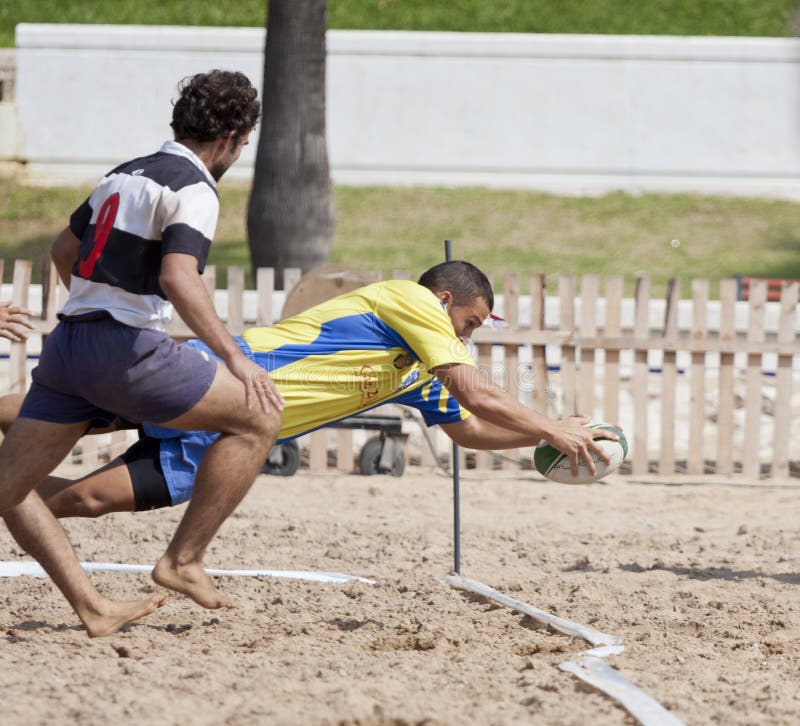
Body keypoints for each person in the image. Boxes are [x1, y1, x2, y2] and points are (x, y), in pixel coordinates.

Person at [0, 70, 283, 637]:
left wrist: (94, 302)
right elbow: (179, 276)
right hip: (125, 349)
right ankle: (183, 560)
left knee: (9, 490)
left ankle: (94, 609)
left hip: (68, 347)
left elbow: (63, 249)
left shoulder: (122, 174)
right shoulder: (194, 187)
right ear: (231, 136)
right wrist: (233, 357)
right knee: (259, 417)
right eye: (244, 143)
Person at [0, 261, 618, 520]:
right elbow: (479, 394)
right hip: (216, 380)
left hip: (230, 436)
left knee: (84, 501)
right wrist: (552, 426)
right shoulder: (408, 298)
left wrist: (547, 442)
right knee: (46, 417)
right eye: (471, 322)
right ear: (444, 299)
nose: (468, 335)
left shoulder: (424, 369)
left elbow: (472, 427)